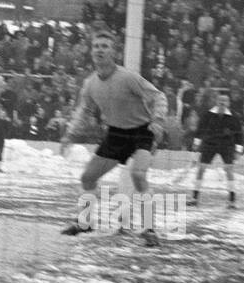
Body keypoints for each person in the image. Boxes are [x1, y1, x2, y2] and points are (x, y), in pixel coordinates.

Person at [60, 30, 168, 246]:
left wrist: (158, 121)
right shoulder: (90, 84)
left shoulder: (128, 78)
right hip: (116, 135)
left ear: (113, 52)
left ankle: (149, 229)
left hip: (141, 133)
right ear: (91, 52)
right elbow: (84, 111)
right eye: (96, 46)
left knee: (138, 175)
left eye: (105, 46)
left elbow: (158, 96)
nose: (99, 49)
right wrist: (70, 134)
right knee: (87, 178)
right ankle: (85, 222)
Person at [190, 89, 243, 205]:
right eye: (220, 100)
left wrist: (238, 150)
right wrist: (196, 144)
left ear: (228, 103)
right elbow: (200, 130)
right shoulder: (208, 114)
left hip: (227, 145)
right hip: (210, 144)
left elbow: (239, 134)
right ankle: (194, 198)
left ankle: (232, 200)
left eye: (225, 100)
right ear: (216, 101)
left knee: (229, 170)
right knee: (201, 169)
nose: (222, 102)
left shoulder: (234, 116)